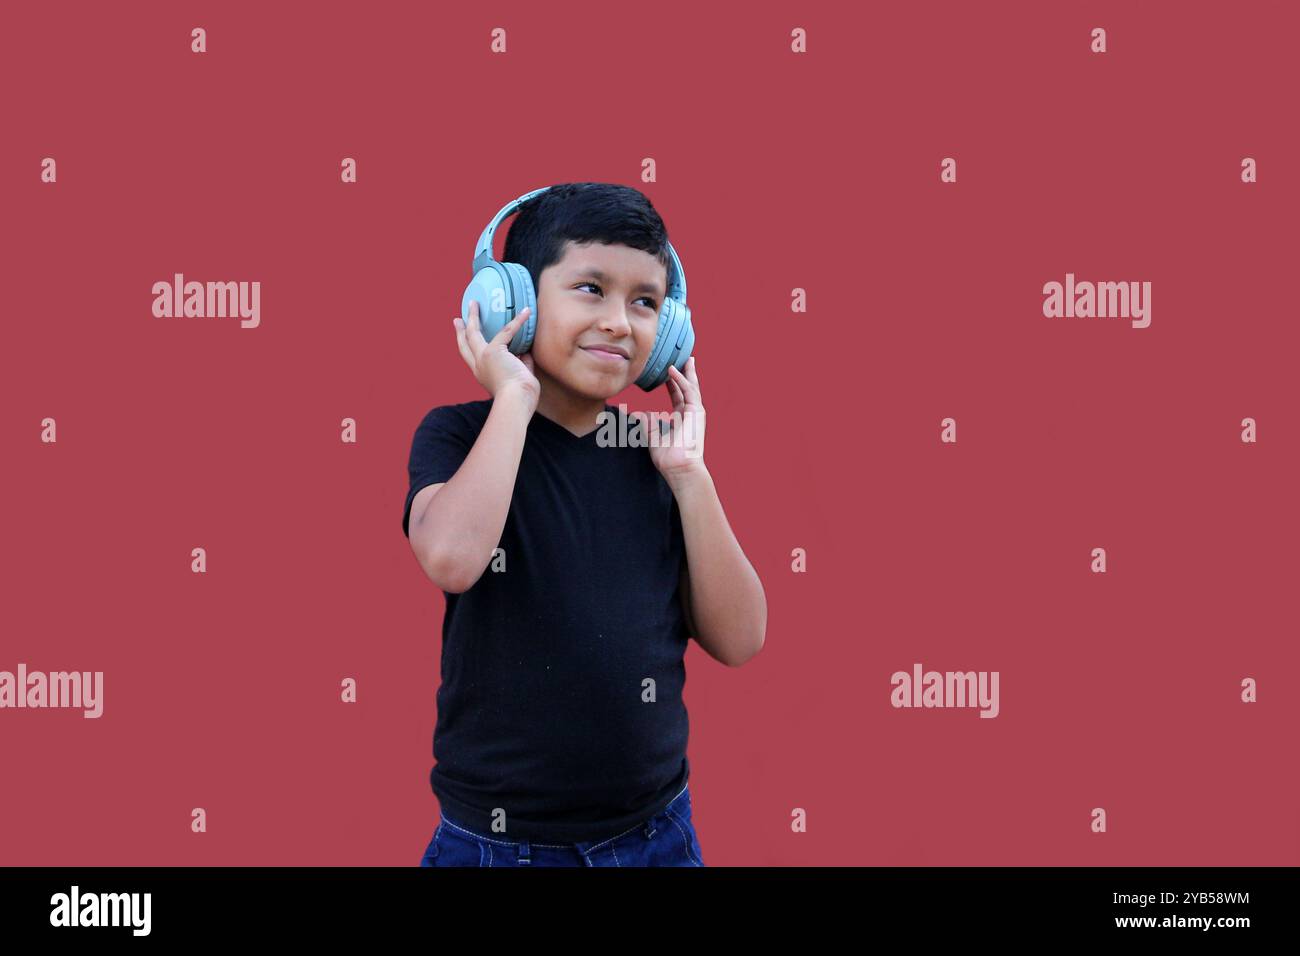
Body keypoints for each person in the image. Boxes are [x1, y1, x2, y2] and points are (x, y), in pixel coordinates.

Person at [404, 182, 766, 866]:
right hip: (499, 845)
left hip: (657, 834)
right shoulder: (459, 434)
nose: (620, 323)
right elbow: (452, 558)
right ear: (512, 302)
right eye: (590, 289)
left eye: (646, 302)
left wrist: (691, 477)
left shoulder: (656, 461)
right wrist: (513, 393)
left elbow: (742, 638)